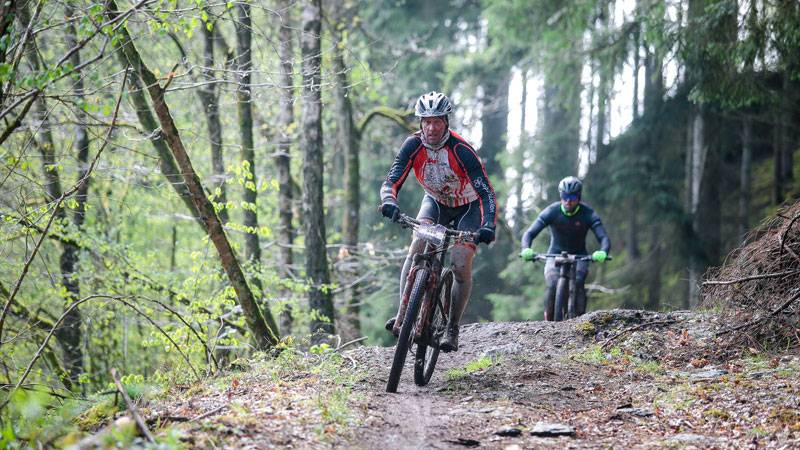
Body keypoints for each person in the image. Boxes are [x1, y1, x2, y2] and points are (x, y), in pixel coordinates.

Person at [379, 91, 497, 352]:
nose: (431, 127)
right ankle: (404, 314)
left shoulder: (462, 150)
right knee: (417, 246)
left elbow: (486, 192)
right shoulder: (413, 145)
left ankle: (452, 327)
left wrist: (489, 224)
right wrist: (389, 201)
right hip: (435, 203)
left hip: (468, 209)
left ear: (446, 122)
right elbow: (392, 179)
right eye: (426, 121)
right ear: (420, 123)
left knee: (459, 263)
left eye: (437, 121)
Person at [519, 176, 610, 320]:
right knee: (552, 283)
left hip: (580, 255)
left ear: (579, 197)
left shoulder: (588, 214)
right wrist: (526, 249)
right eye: (565, 196)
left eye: (572, 197)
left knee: (579, 281)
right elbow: (529, 233)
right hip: (554, 254)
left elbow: (603, 237)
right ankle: (548, 317)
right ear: (560, 196)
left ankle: (581, 318)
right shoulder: (552, 211)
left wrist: (603, 252)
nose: (568, 200)